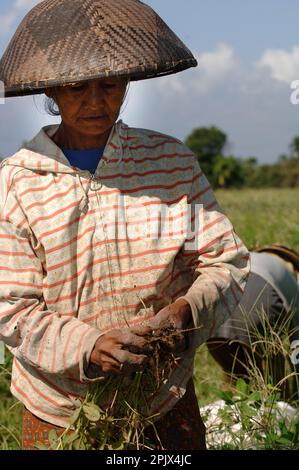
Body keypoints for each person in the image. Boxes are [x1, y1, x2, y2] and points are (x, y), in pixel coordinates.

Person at [0, 0, 249, 450]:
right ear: (51, 92)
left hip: (164, 400)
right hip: (59, 410)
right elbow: (12, 307)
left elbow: (226, 261)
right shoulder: (18, 182)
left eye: (111, 85)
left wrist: (185, 314)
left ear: (128, 83)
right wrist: (90, 346)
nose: (96, 102)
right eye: (76, 87)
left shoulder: (170, 163)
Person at [207, 245, 299, 399]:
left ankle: (232, 416)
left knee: (234, 375)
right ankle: (275, 413)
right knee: (273, 378)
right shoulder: (290, 280)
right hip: (256, 311)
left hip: (214, 318)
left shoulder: (246, 259)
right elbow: (297, 342)